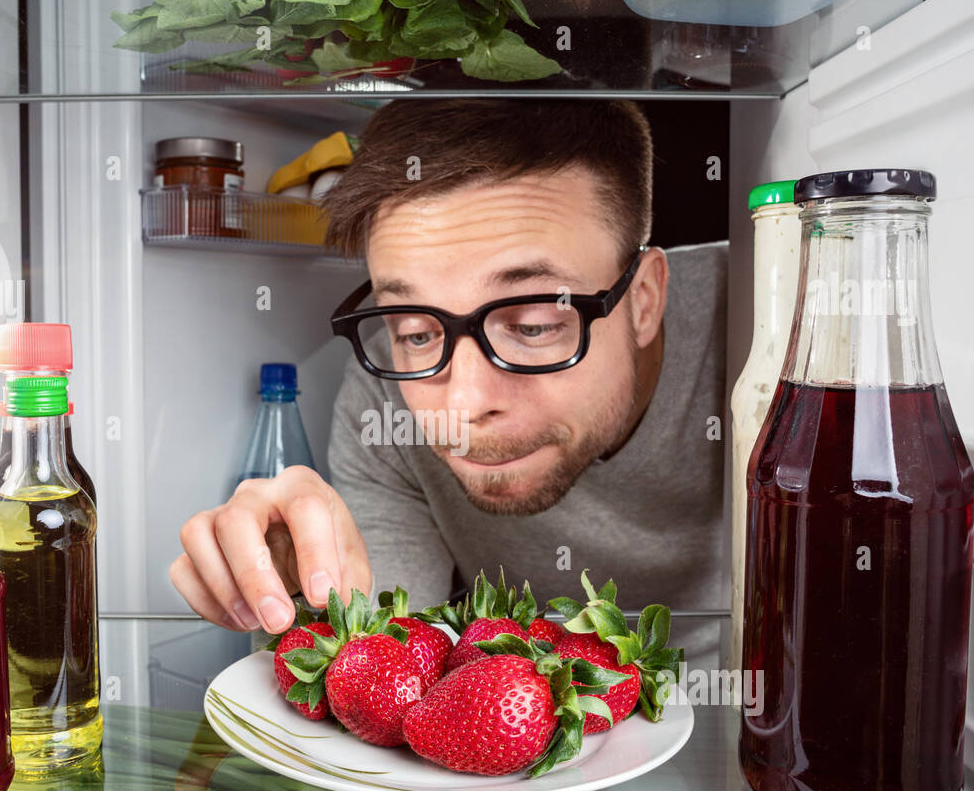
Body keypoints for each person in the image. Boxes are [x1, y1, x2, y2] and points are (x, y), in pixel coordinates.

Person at [170, 99, 728, 661]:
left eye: (532, 325)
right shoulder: (381, 393)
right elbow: (387, 661)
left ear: (644, 299)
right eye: (417, 331)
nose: (462, 405)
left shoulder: (770, 315)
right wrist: (301, 587)